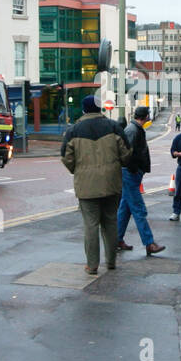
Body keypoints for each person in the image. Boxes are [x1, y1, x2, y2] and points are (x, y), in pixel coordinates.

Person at [61, 94, 134, 274]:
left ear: (84, 109)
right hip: (111, 182)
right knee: (110, 221)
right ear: (100, 108)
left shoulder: (73, 130)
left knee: (91, 224)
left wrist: (77, 170)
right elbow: (126, 153)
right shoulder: (114, 127)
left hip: (86, 185)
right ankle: (111, 262)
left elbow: (66, 157)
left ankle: (92, 265)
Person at [117, 106, 166, 256]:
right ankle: (149, 243)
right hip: (130, 174)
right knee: (139, 209)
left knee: (125, 209)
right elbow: (127, 153)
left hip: (131, 174)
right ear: (145, 116)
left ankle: (116, 239)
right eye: (148, 115)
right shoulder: (133, 130)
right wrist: (135, 169)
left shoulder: (134, 129)